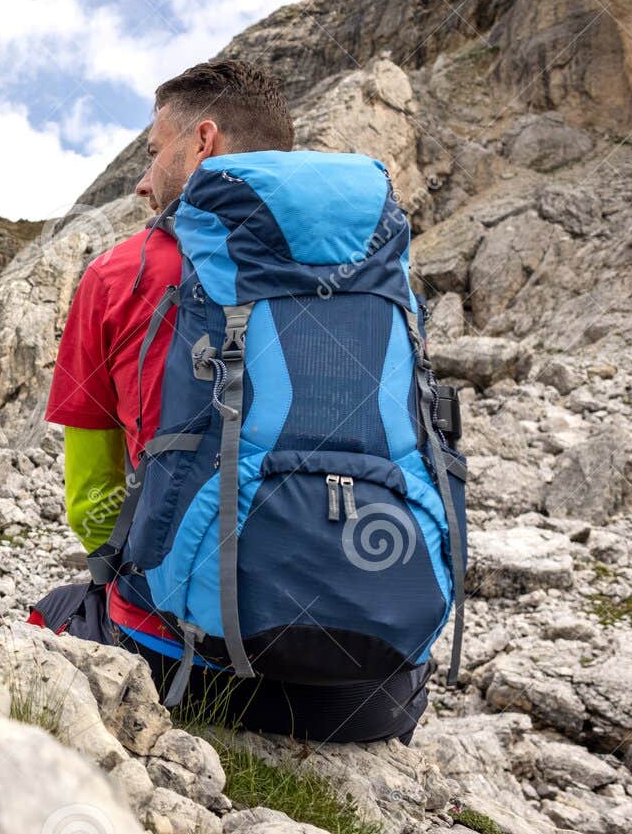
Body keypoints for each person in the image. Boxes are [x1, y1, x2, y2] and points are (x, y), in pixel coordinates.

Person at [39, 58, 434, 745]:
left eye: (154, 150)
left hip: (186, 673)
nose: (142, 179)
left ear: (204, 142)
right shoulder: (380, 281)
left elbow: (91, 501)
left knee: (49, 621)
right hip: (374, 693)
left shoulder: (117, 271)